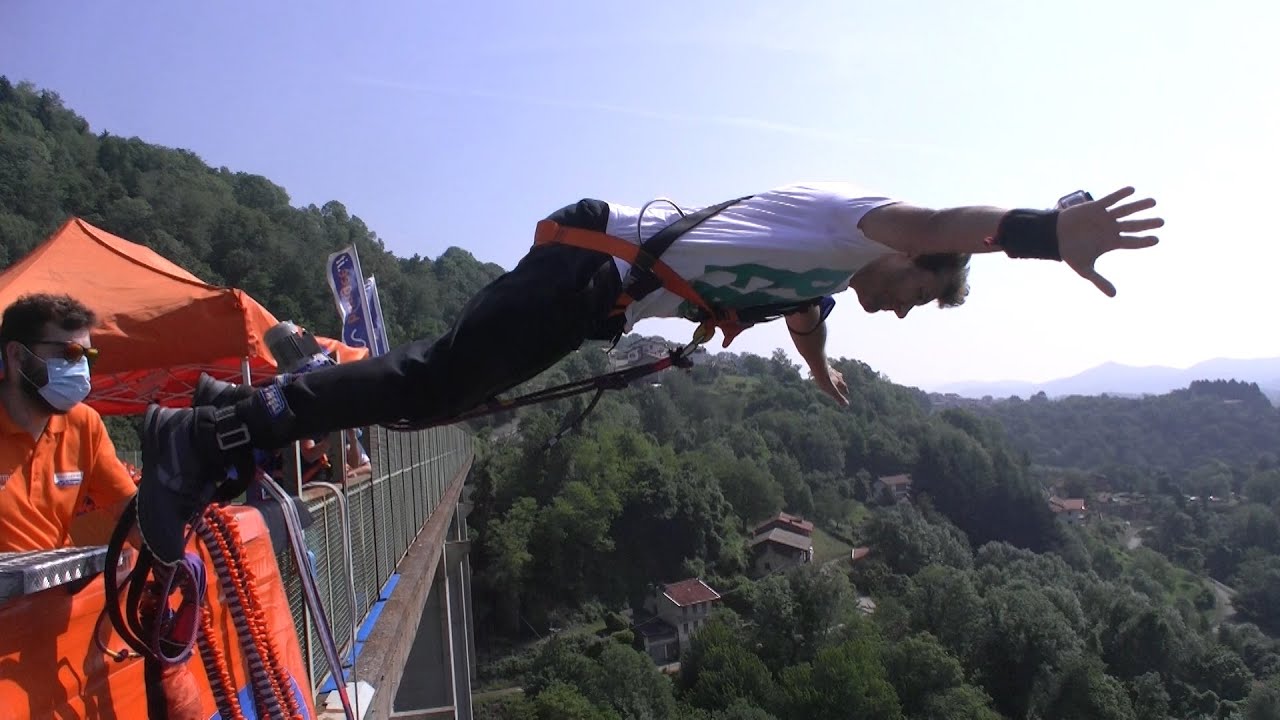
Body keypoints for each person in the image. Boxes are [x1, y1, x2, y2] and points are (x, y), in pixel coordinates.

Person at [134, 181, 1163, 564]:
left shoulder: (820, 282)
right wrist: (1040, 230)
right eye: (912, 294)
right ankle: (212, 433)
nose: (893, 306)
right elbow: (943, 223)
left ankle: (238, 411)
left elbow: (804, 314)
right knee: (434, 388)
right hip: (587, 272)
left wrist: (818, 369)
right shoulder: (858, 222)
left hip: (593, 288)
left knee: (448, 383)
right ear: (915, 259)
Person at [0, 293, 138, 552]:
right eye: (70, 353)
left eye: (89, 356)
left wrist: (171, 554)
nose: (81, 367)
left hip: (61, 590)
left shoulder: (85, 424)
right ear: (16, 354)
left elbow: (130, 513)